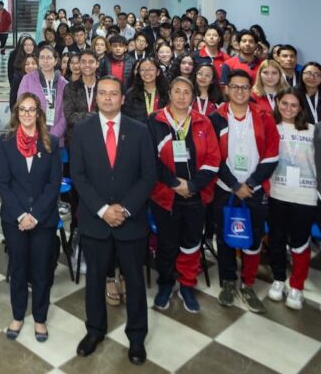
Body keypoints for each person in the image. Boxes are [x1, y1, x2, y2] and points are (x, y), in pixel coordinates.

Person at [70, 75, 156, 366]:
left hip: (130, 221)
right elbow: (78, 176)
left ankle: (136, 337)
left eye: (113, 94)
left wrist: (125, 209)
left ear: (122, 98)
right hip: (96, 221)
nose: (107, 98)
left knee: (133, 280)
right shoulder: (81, 131)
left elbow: (148, 176)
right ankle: (94, 330)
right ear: (97, 99)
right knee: (94, 279)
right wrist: (103, 209)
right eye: (103, 93)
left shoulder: (140, 131)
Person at [147, 77, 221, 313]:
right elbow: (149, 159)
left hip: (195, 196)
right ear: (169, 94)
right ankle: (166, 284)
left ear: (192, 96)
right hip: (165, 195)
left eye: (186, 92)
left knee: (191, 243)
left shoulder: (203, 122)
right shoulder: (155, 120)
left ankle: (187, 284)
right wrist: (173, 183)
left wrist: (192, 186)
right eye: (177, 91)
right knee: (167, 244)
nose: (181, 96)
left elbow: (213, 159)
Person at [209, 69, 279, 314]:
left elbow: (272, 155)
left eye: (244, 87)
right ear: (226, 88)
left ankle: (248, 284)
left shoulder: (264, 116)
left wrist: (249, 184)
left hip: (255, 190)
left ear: (251, 90)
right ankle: (228, 281)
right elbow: (213, 157)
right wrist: (234, 185)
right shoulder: (216, 118)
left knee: (253, 239)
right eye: (235, 87)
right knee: (225, 237)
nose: (239, 91)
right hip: (225, 189)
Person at [0, 93, 62, 342]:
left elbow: (54, 183)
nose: (26, 114)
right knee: (18, 267)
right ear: (16, 113)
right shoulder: (6, 142)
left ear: (38, 113)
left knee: (41, 269)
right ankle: (17, 315)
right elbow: (3, 183)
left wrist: (35, 215)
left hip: (43, 219)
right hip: (15, 218)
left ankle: (40, 318)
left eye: (31, 110)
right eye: (22, 110)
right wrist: (22, 214)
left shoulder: (51, 143)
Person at [267, 88, 317, 310]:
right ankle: (279, 279)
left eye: (293, 105)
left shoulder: (313, 131)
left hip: (305, 196)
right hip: (278, 193)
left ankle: (297, 286)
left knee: (300, 242)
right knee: (276, 239)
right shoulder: (271, 128)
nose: (288, 108)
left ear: (301, 108)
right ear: (278, 104)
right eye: (284, 103)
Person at [17, 46, 67, 145]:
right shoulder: (27, 80)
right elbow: (21, 107)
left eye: (49, 57)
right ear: (38, 60)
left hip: (56, 138)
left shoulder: (64, 84)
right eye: (42, 57)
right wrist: (36, 134)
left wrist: (52, 136)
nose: (45, 61)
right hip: (32, 136)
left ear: (55, 60)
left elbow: (65, 114)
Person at [63, 49, 99, 145]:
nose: (87, 65)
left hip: (100, 138)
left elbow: (109, 113)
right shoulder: (70, 87)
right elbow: (69, 116)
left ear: (97, 64)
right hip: (76, 139)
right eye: (83, 62)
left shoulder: (104, 86)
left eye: (91, 62)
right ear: (79, 64)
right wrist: (92, 116)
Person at [122, 58, 169, 122]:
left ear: (158, 72)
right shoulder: (131, 93)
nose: (147, 72)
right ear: (139, 72)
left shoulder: (166, 92)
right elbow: (126, 118)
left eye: (151, 69)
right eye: (143, 69)